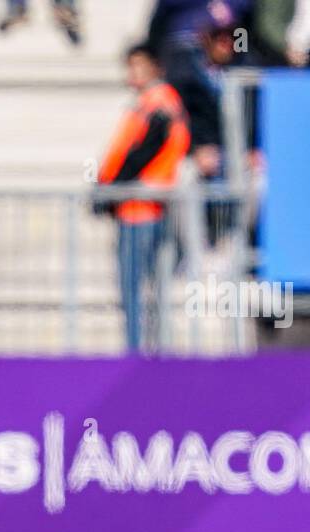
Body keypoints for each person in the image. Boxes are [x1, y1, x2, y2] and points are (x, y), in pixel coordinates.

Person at [96, 43, 190, 352]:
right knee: (137, 290)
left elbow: (142, 151)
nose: (132, 73)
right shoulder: (150, 103)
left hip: (143, 209)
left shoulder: (158, 104)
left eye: (138, 65)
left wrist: (110, 188)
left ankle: (140, 354)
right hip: (134, 207)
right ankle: (145, 351)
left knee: (137, 290)